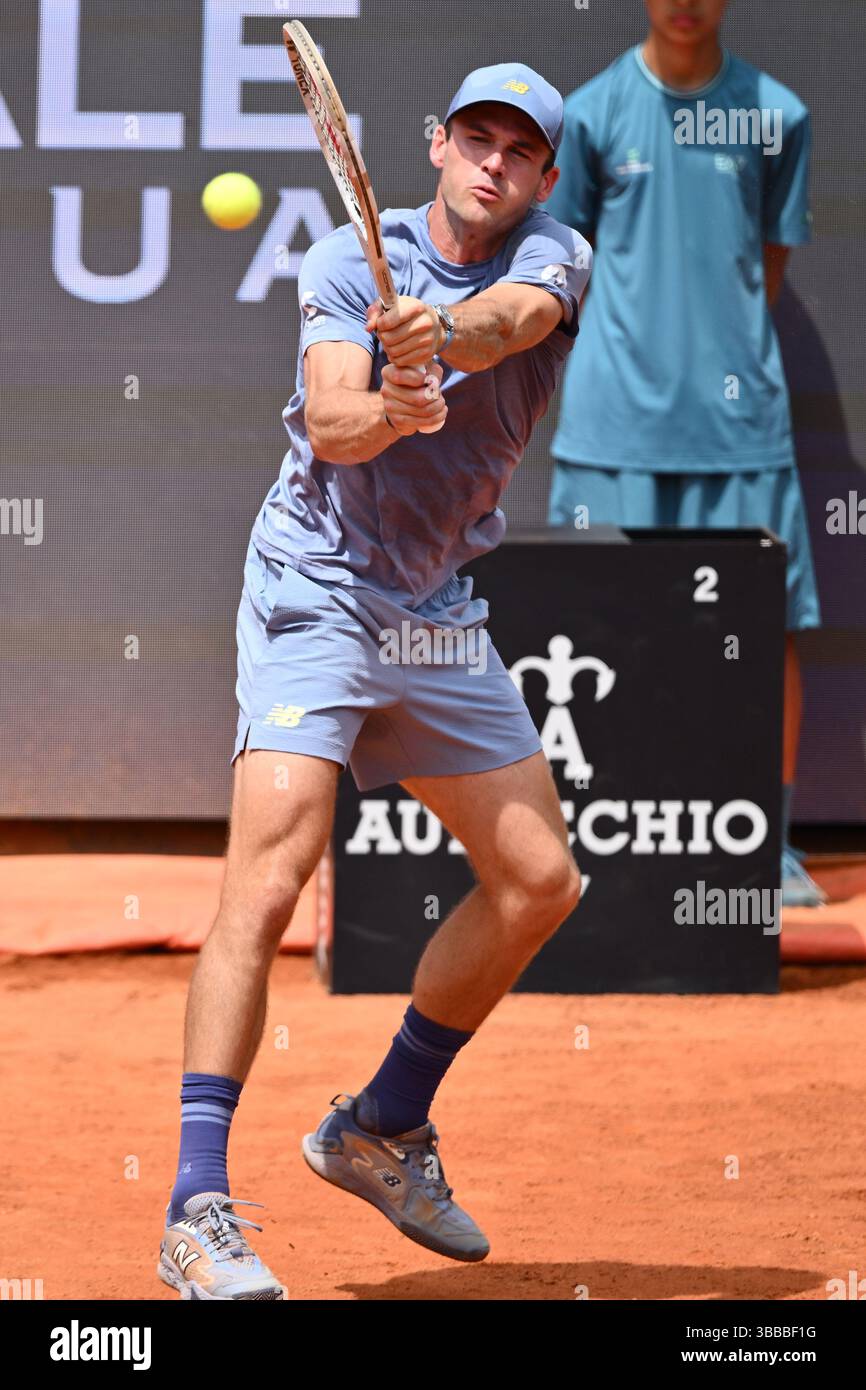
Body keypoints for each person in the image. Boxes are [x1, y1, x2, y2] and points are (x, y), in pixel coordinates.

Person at [157, 62, 592, 1299]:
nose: (492, 161)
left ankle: (380, 1124)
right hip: (316, 586)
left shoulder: (557, 255)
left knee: (537, 880)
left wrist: (438, 339)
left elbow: (508, 323)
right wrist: (392, 407)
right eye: (475, 137)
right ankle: (196, 1206)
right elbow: (332, 420)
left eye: (519, 150)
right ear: (436, 143)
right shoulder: (351, 259)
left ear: (542, 178)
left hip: (436, 605)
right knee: (276, 859)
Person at [545, 0, 824, 907]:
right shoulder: (589, 115)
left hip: (739, 432)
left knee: (764, 631)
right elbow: (565, 265)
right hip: (611, 429)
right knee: (591, 634)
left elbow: (764, 266)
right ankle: (597, 840)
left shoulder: (777, 115)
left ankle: (767, 850)